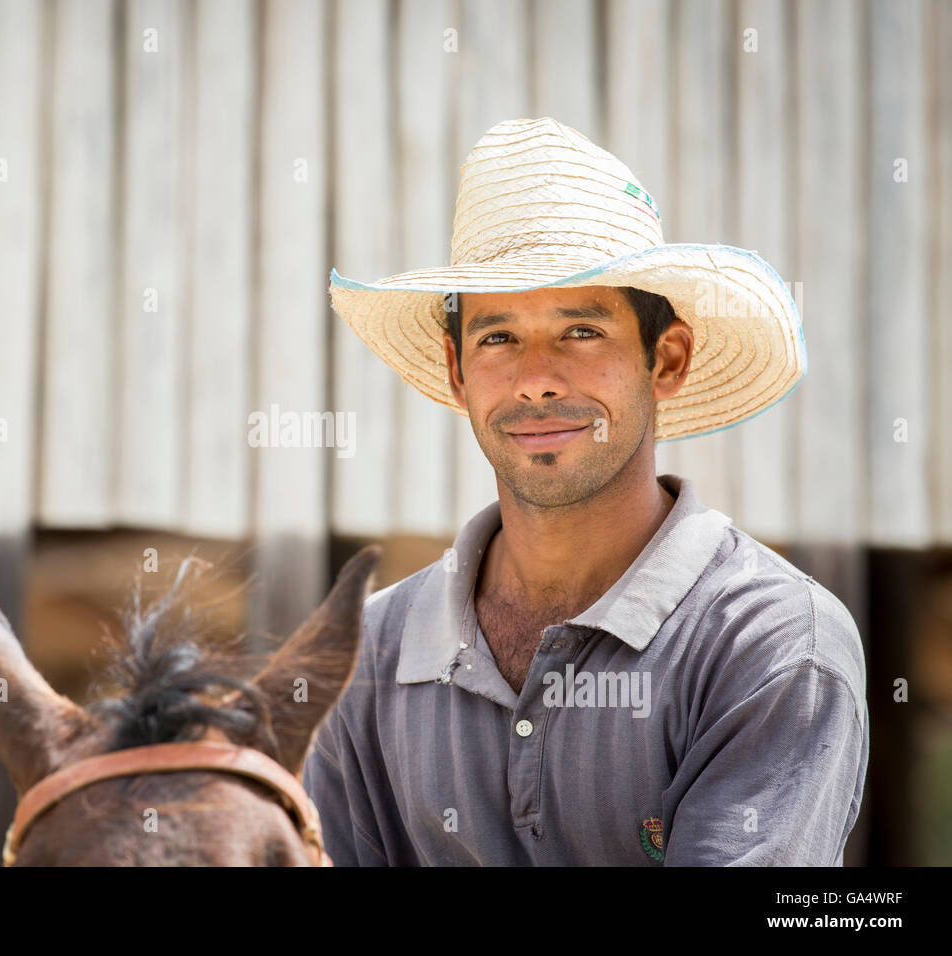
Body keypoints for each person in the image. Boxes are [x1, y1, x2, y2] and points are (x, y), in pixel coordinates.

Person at [301, 116, 868, 865]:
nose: (535, 376)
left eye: (581, 331)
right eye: (497, 337)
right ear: (455, 370)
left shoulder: (771, 643)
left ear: (665, 360)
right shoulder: (376, 649)